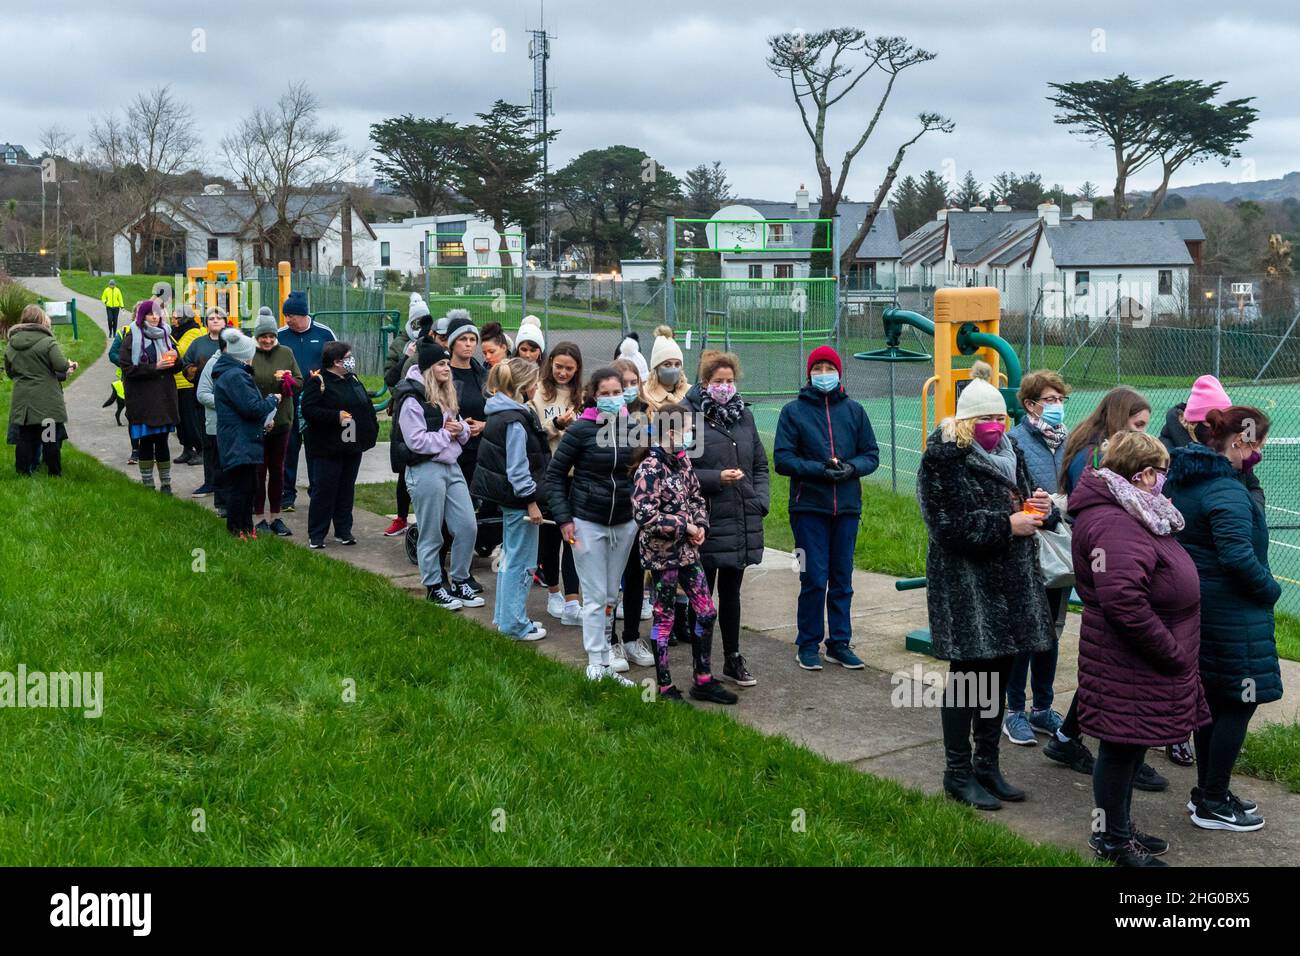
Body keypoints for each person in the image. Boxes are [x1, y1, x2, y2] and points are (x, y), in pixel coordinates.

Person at [1069, 430, 1208, 866]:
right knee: (1119, 748)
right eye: (1161, 473)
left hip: (1135, 659)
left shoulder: (1130, 509)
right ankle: (1111, 841)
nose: (1164, 482)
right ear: (1145, 474)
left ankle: (1118, 830)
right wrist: (1171, 650)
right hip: (1130, 659)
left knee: (1127, 747)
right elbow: (1124, 601)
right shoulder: (1114, 521)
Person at [916, 376, 1055, 810]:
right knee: (969, 678)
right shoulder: (942, 459)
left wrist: (1042, 512)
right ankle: (957, 773)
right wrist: (1005, 525)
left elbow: (1027, 507)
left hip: (1011, 583)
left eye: (1000, 416)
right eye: (986, 418)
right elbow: (945, 527)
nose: (996, 424)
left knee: (996, 675)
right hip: (968, 586)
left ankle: (987, 765)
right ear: (967, 420)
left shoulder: (1011, 453)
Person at [1166, 406, 1280, 833]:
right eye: (1258, 445)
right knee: (1238, 701)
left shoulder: (1190, 479)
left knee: (1214, 701)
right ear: (1242, 442)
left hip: (1203, 609)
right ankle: (1213, 800)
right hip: (1233, 613)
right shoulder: (1225, 490)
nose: (1260, 454)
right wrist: (1270, 590)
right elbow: (1237, 556)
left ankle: (1208, 793)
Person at [1156, 373, 1248, 768]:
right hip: (1177, 576)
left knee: (1203, 669)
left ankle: (1187, 735)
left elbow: (1248, 495)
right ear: (1195, 422)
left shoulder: (1228, 460)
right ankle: (1173, 735)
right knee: (1177, 665)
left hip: (1207, 584)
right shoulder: (1165, 452)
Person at [774, 345, 879, 671]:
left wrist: (850, 468)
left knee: (842, 579)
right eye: (817, 369)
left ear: (838, 372)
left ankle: (839, 643)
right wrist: (819, 469)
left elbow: (871, 454)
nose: (823, 375)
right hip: (808, 509)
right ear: (809, 374)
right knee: (813, 577)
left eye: (828, 368)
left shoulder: (855, 411)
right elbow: (782, 459)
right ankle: (808, 643)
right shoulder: (793, 412)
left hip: (846, 508)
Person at [631, 401, 738, 704]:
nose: (693, 433)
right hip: (663, 558)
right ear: (673, 430)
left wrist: (701, 523)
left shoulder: (682, 460)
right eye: (690, 428)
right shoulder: (650, 468)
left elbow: (696, 496)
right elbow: (645, 515)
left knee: (706, 611)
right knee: (663, 617)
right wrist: (685, 526)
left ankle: (702, 679)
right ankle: (664, 686)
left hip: (689, 554)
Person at [544, 366, 641, 686]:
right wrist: (564, 518)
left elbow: (645, 470)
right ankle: (596, 662)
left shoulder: (634, 428)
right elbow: (555, 475)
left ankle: (608, 664)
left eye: (618, 392)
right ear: (593, 396)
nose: (614, 398)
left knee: (611, 594)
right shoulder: (581, 431)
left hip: (625, 523)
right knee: (596, 594)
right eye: (606, 393)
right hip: (587, 522)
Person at [683, 350, 768, 687]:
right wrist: (716, 478)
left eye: (730, 381)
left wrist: (760, 500)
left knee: (732, 594)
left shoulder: (744, 416)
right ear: (705, 383)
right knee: (702, 596)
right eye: (718, 382)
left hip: (740, 517)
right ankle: (700, 662)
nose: (725, 387)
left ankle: (733, 657)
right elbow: (678, 469)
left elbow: (760, 464)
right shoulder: (686, 416)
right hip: (704, 520)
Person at [1003, 369, 1072, 746]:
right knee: (1024, 632)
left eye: (1060, 399)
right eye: (1049, 399)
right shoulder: (1015, 442)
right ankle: (1013, 710)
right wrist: (1038, 508)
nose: (1056, 406)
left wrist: (1058, 508)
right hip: (1027, 550)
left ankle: (1043, 706)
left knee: (1050, 632)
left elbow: (1076, 491)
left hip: (1059, 547)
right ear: (1030, 404)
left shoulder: (1069, 443)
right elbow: (1013, 494)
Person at [392, 338, 480, 610]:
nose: (447, 368)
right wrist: (447, 434)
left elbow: (459, 429)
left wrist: (460, 431)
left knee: (467, 526)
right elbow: (416, 441)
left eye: (447, 363)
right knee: (431, 532)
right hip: (425, 468)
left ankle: (460, 580)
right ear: (429, 367)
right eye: (441, 364)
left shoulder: (446, 393)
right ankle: (433, 586)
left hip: (451, 466)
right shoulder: (411, 398)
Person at [472, 358, 552, 641]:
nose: (537, 386)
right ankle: (515, 624)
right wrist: (531, 500)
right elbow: (518, 469)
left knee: (509, 559)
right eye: (534, 382)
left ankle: (505, 617)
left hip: (510, 500)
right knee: (521, 562)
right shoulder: (516, 421)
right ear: (523, 386)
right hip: (521, 503)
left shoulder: (499, 413)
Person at [300, 341, 380, 549]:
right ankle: (317, 533)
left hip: (351, 442)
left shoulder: (352, 379)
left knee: (346, 488)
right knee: (325, 489)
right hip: (327, 445)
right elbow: (309, 410)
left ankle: (343, 530)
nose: (352, 360)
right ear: (336, 361)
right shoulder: (318, 381)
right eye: (348, 357)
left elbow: (364, 405)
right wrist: (335, 417)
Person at [530, 341, 583, 625]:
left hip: (576, 474)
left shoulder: (582, 396)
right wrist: (557, 426)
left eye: (569, 369)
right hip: (550, 473)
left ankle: (573, 600)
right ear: (550, 364)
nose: (563, 373)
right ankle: (553, 593)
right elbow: (535, 433)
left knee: (573, 536)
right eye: (559, 367)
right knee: (550, 536)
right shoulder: (539, 393)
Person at [211, 329, 279, 538]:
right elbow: (251, 408)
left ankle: (246, 529)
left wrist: (262, 423)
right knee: (241, 488)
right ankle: (237, 529)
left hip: (243, 436)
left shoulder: (235, 373)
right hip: (239, 439)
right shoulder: (235, 376)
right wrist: (273, 400)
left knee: (249, 486)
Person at [611, 357, 655, 660]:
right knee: (609, 579)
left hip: (637, 504)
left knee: (635, 571)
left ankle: (631, 638)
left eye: (632, 383)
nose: (628, 389)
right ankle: (608, 638)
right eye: (621, 384)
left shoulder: (645, 413)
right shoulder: (600, 418)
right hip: (610, 504)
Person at [380, 294, 435, 538]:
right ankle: (401, 517)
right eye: (417, 322)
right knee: (405, 466)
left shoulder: (432, 342)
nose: (421, 327)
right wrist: (401, 398)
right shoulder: (400, 344)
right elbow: (390, 376)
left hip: (430, 412)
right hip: (405, 409)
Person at [276, 291, 336, 512]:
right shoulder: (280, 336)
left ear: (302, 314)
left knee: (315, 449)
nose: (287, 319)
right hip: (288, 402)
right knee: (288, 448)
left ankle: (316, 492)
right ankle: (287, 494)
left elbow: (339, 362)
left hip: (316, 403)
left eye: (290, 314)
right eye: (285, 315)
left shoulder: (324, 333)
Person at [446, 310, 494, 570]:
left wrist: (484, 426)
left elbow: (494, 408)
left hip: (480, 447)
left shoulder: (482, 374)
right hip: (454, 449)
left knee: (481, 499)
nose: (468, 344)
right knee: (456, 501)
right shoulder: (444, 373)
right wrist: (461, 426)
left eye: (472, 339)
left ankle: (477, 540)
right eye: (463, 339)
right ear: (453, 343)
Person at [5, 304, 76, 476]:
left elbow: (10, 371)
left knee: (25, 438)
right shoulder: (47, 341)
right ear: (40, 320)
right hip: (46, 400)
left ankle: (22, 473)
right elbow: (60, 365)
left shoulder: (12, 343)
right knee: (49, 438)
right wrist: (70, 365)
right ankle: (54, 473)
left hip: (23, 399)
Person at [120, 299, 181, 494]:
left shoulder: (166, 336)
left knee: (162, 441)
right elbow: (128, 369)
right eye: (150, 314)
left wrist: (175, 359)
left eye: (157, 313)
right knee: (146, 442)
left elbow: (179, 367)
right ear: (142, 316)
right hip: (142, 399)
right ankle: (147, 485)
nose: (155, 317)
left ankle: (166, 484)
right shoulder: (132, 337)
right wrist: (154, 367)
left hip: (163, 398)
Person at [250, 308, 302, 537]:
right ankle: (259, 517)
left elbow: (300, 381)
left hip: (281, 421)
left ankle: (276, 517)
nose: (268, 340)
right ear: (256, 336)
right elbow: (243, 384)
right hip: (257, 421)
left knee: (278, 471)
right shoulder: (249, 354)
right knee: (259, 471)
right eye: (263, 336)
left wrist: (288, 380)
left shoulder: (286, 352)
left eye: (271, 335)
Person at [1059, 386, 1151, 495]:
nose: (1143, 433)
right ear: (1118, 420)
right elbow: (1086, 501)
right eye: (1138, 425)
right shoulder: (1092, 457)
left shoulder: (1113, 452)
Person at [183, 307, 229, 496]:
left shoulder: (231, 342)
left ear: (226, 321)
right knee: (208, 443)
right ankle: (209, 482)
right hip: (203, 402)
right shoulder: (198, 343)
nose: (215, 320)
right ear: (206, 322)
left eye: (219, 318)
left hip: (230, 402)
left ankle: (227, 482)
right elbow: (185, 364)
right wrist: (196, 370)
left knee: (226, 444)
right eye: (211, 318)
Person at [195, 331, 232, 517]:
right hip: (217, 424)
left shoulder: (245, 363)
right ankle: (222, 504)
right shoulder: (213, 364)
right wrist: (227, 402)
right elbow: (202, 394)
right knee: (220, 465)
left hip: (238, 425)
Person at [170, 303, 206, 466]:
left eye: (176, 317)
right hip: (176, 383)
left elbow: (182, 352)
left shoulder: (193, 332)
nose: (173, 320)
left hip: (188, 383)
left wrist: (167, 343)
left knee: (191, 420)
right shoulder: (177, 332)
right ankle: (186, 448)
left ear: (184, 318)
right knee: (181, 421)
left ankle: (200, 450)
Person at [641, 325, 689, 416]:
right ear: (656, 368)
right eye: (667, 364)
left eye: (677, 364)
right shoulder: (644, 395)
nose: (673, 368)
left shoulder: (690, 392)